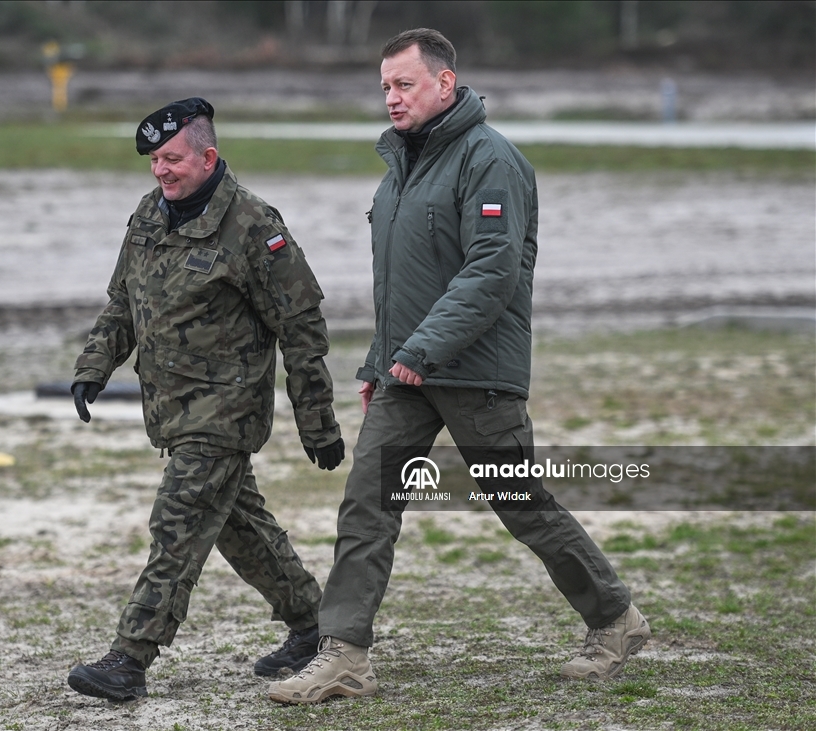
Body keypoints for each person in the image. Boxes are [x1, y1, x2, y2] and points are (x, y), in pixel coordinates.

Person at [268, 29, 650, 705]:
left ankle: (614, 617)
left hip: (476, 370)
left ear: (445, 84)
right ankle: (345, 655)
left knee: (521, 505)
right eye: (385, 86)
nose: (391, 97)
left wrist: (421, 349)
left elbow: (491, 270)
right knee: (367, 506)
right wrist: (381, 359)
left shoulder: (490, 159)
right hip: (407, 374)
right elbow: (401, 283)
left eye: (404, 84)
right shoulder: (401, 167)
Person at [66, 97, 346, 704]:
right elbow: (122, 303)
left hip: (227, 411)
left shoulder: (252, 224)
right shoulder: (148, 215)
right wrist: (94, 367)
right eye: (154, 161)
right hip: (171, 409)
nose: (161, 171)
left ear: (207, 156)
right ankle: (315, 627)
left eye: (172, 159)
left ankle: (129, 658)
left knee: (178, 523)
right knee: (236, 524)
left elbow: (301, 327)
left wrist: (317, 421)